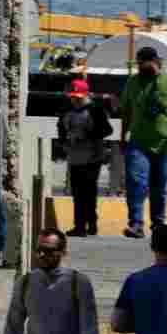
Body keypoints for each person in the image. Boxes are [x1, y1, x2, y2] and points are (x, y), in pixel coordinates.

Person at [116, 47, 167, 238]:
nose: (141, 67)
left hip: (164, 147)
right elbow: (126, 112)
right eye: (139, 63)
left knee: (159, 187)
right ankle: (136, 223)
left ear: (156, 61)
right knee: (136, 182)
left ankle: (158, 223)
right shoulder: (133, 82)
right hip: (138, 144)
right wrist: (123, 136)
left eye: (145, 63)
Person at [58, 78, 111, 235]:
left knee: (88, 191)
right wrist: (64, 142)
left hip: (92, 157)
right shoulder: (67, 111)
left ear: (84, 95)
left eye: (78, 97)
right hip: (74, 157)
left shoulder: (95, 110)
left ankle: (91, 223)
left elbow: (107, 130)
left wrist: (87, 135)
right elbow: (61, 128)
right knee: (77, 192)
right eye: (73, 97)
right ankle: (79, 225)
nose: (75, 100)